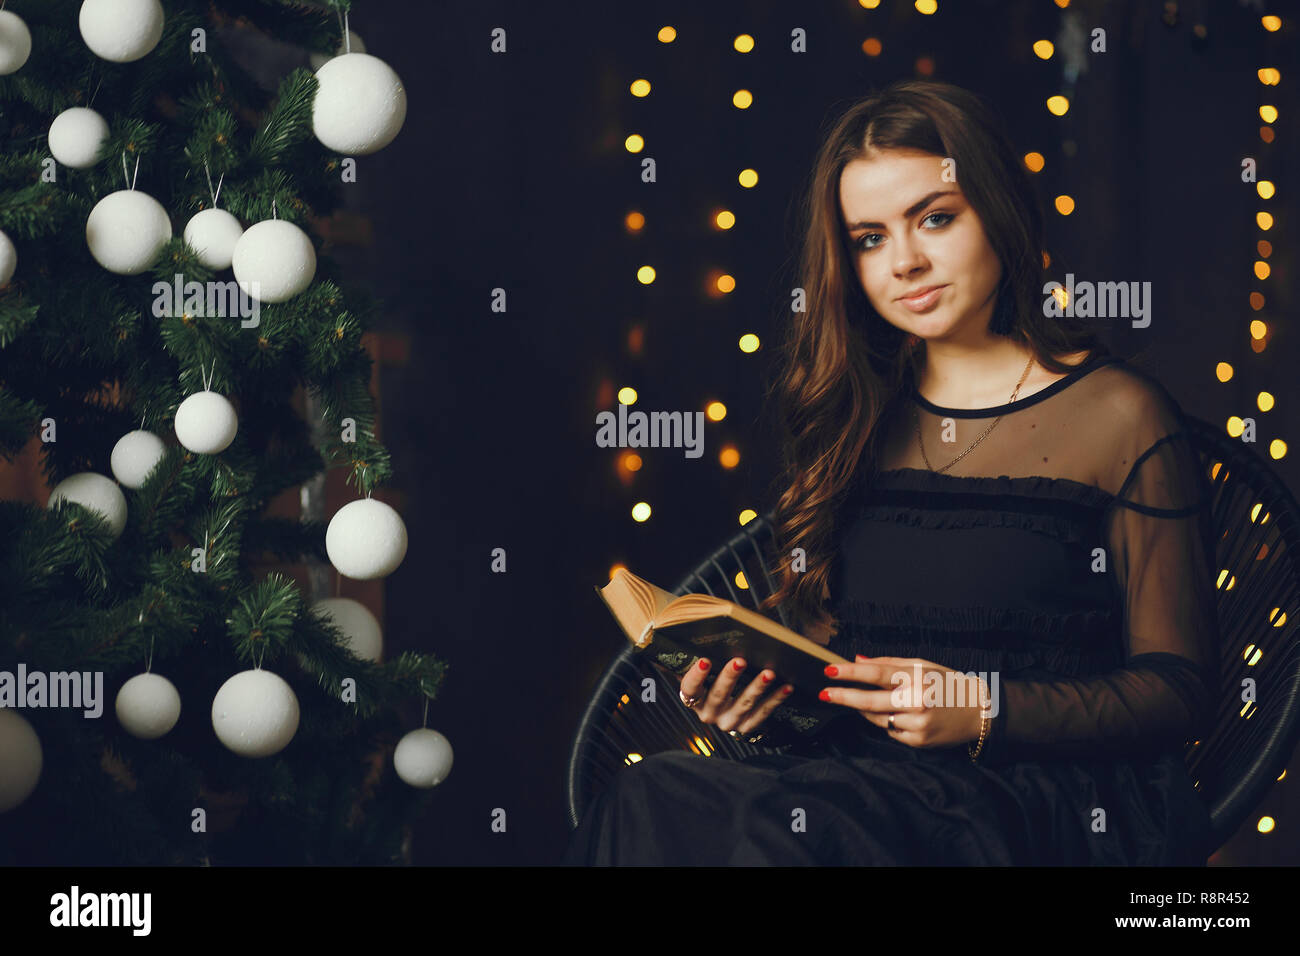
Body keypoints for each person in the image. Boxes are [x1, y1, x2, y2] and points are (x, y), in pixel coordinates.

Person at [563, 79, 1220, 866]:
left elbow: (1177, 689)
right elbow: (831, 673)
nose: (905, 262)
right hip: (862, 789)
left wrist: (982, 709)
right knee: (651, 795)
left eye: (935, 219)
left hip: (1034, 800)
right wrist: (756, 701)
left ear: (997, 213)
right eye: (869, 238)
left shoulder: (1118, 414)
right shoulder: (857, 414)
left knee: (777, 837)